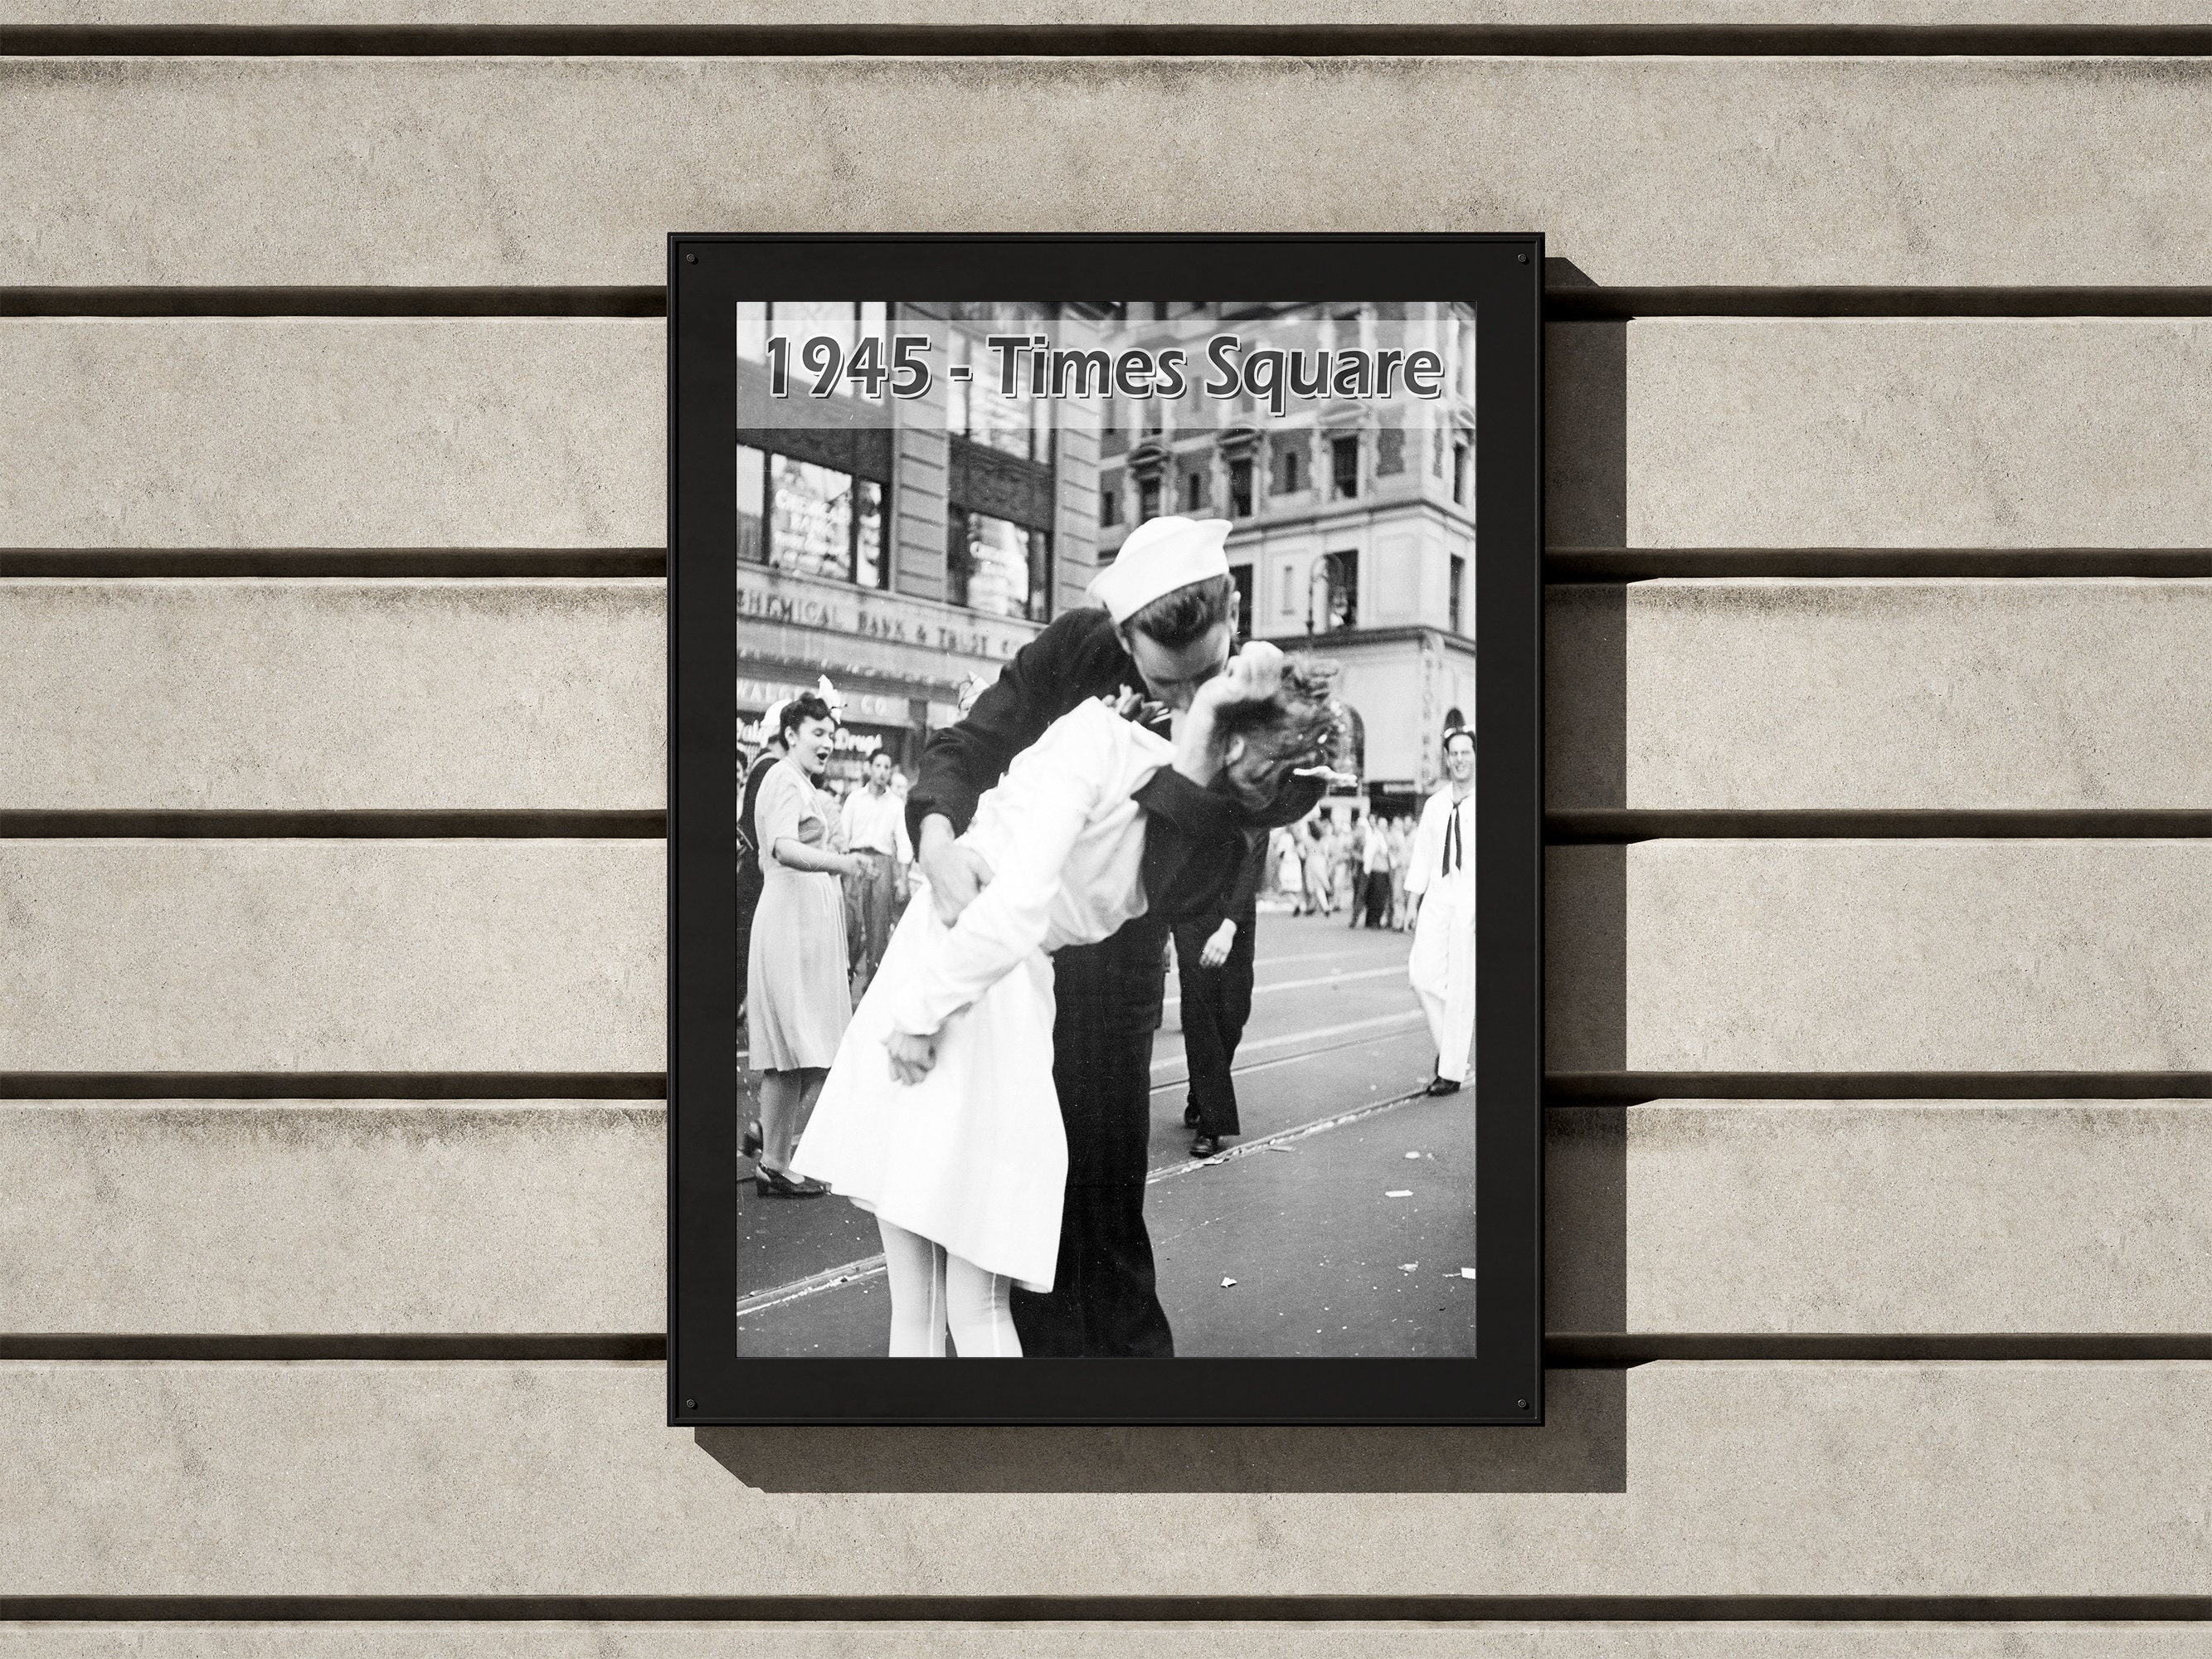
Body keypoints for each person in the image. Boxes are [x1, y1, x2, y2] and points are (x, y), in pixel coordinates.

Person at [795, 649, 1341, 1355]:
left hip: (954, 967)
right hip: (1010, 1000)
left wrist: (921, 1012)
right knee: (973, 1304)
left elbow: (1015, 902)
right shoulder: (1192, 842)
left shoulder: (1102, 741)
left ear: (1229, 733)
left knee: (927, 1308)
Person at [899, 514, 1325, 1357]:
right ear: (1123, 633)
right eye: (1164, 678)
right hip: (1016, 959)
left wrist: (1233, 757)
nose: (1181, 698)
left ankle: (1134, 1375)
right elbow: (966, 742)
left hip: (1121, 954)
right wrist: (938, 833)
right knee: (1022, 1186)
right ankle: (1042, 1375)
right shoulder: (1071, 651)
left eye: (1199, 674)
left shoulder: (1255, 696)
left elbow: (1246, 829)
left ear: (1232, 607)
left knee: (1110, 1177)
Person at [747, 693, 866, 1196]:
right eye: (817, 733)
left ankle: (774, 1152)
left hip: (807, 929)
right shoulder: (779, 776)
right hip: (788, 924)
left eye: (831, 735)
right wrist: (840, 862)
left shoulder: (802, 784)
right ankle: (774, 1159)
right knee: (792, 1047)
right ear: (791, 735)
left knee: (807, 1048)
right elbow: (782, 846)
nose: (826, 743)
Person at [1174, 831, 1265, 1159]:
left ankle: (1201, 1092)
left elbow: (1251, 865)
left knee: (1234, 1010)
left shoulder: (1253, 791)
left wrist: (1228, 927)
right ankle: (1212, 1123)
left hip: (1237, 915)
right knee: (1199, 1010)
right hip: (1191, 912)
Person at [1407, 726, 1477, 1096]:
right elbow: (1423, 857)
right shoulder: (1435, 805)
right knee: (1423, 976)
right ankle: (1450, 1052)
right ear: (1446, 758)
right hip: (1437, 898)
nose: (1460, 759)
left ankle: (1450, 1070)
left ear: (1476, 757)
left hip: (1472, 900)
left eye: (1467, 752)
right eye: (1454, 753)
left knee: (1463, 988)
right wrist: (1411, 902)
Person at [839, 748, 913, 1000]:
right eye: (878, 766)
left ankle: (872, 987)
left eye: (887, 767)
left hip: (882, 865)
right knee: (851, 923)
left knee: (878, 928)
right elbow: (842, 836)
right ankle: (844, 977)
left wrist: (902, 879)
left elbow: (903, 842)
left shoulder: (895, 804)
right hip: (855, 861)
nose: (882, 772)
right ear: (869, 768)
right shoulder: (854, 799)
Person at [1359, 810, 1394, 929]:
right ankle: (1373, 921)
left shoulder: (1387, 837)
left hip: (1385, 872)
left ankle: (1376, 920)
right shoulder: (1376, 837)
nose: (1383, 828)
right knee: (1375, 898)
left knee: (1381, 898)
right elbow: (1371, 853)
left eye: (1385, 826)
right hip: (1376, 870)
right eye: (1381, 826)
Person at [1302, 819, 1334, 917]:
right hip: (1321, 861)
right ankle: (1317, 907)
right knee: (1319, 886)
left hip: (1312, 861)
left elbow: (1303, 853)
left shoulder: (1307, 840)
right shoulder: (1323, 839)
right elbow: (1326, 852)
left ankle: (1319, 908)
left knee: (1315, 887)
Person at [1388, 813, 1412, 930]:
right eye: (1405, 824)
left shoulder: (1416, 836)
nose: (1406, 826)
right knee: (1398, 896)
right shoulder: (1397, 836)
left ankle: (1409, 922)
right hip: (1399, 870)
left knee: (1409, 897)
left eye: (1408, 824)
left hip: (1411, 871)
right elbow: (1391, 850)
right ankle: (1398, 922)